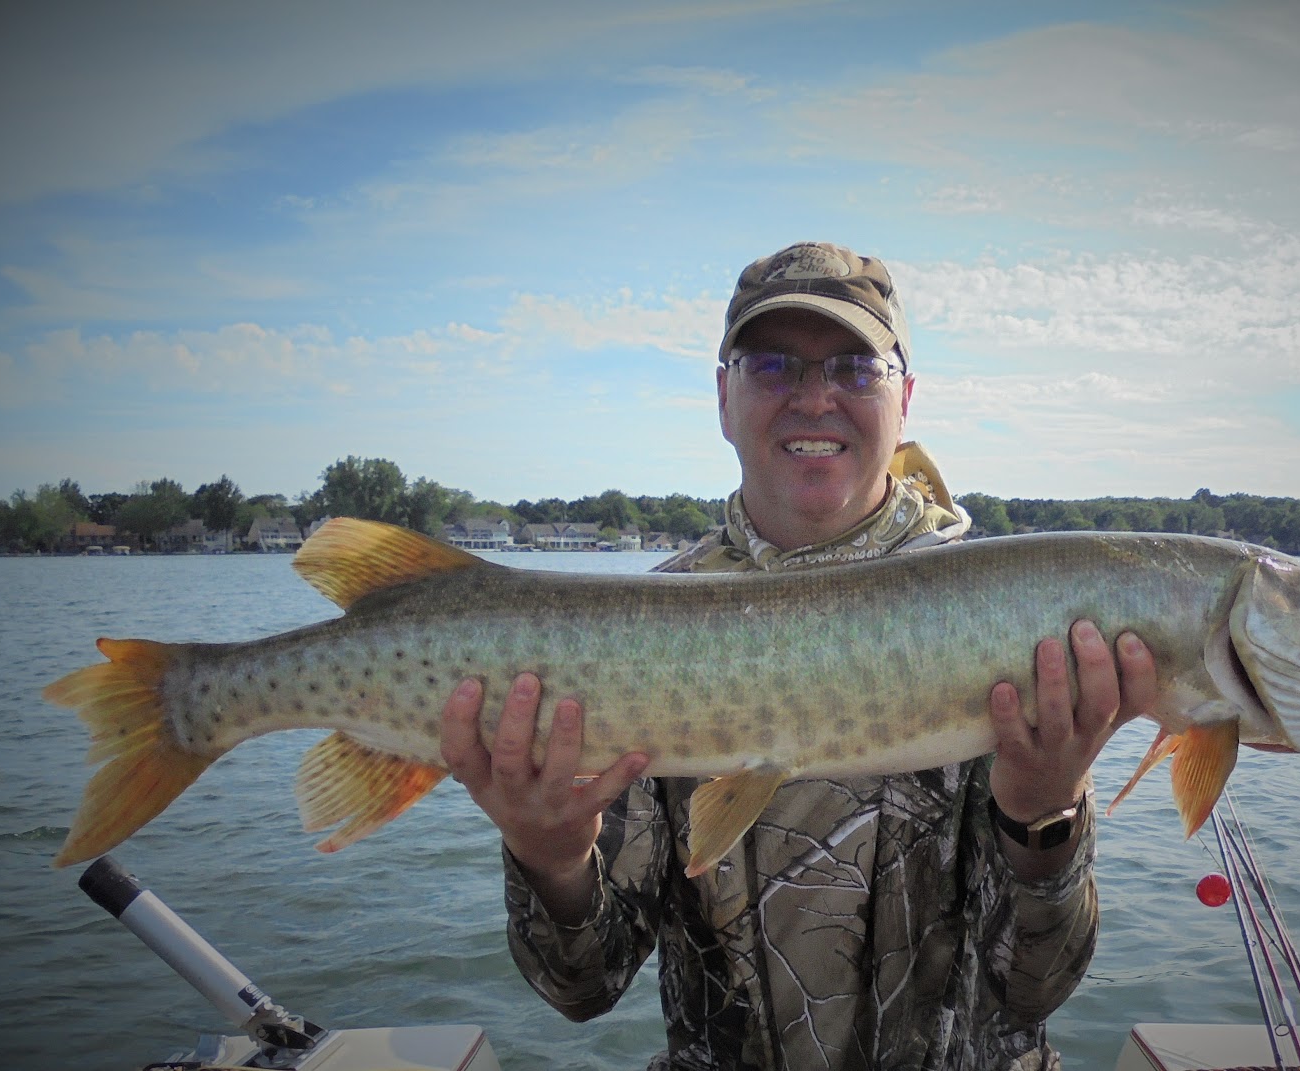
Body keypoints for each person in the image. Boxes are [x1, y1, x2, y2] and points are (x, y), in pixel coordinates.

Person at [439, 241, 1159, 1070]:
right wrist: (551, 856)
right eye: (774, 365)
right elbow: (583, 985)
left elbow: (1035, 988)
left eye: (855, 367)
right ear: (723, 395)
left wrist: (1044, 816)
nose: (815, 397)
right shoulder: (644, 631)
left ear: (906, 398)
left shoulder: (1003, 613)